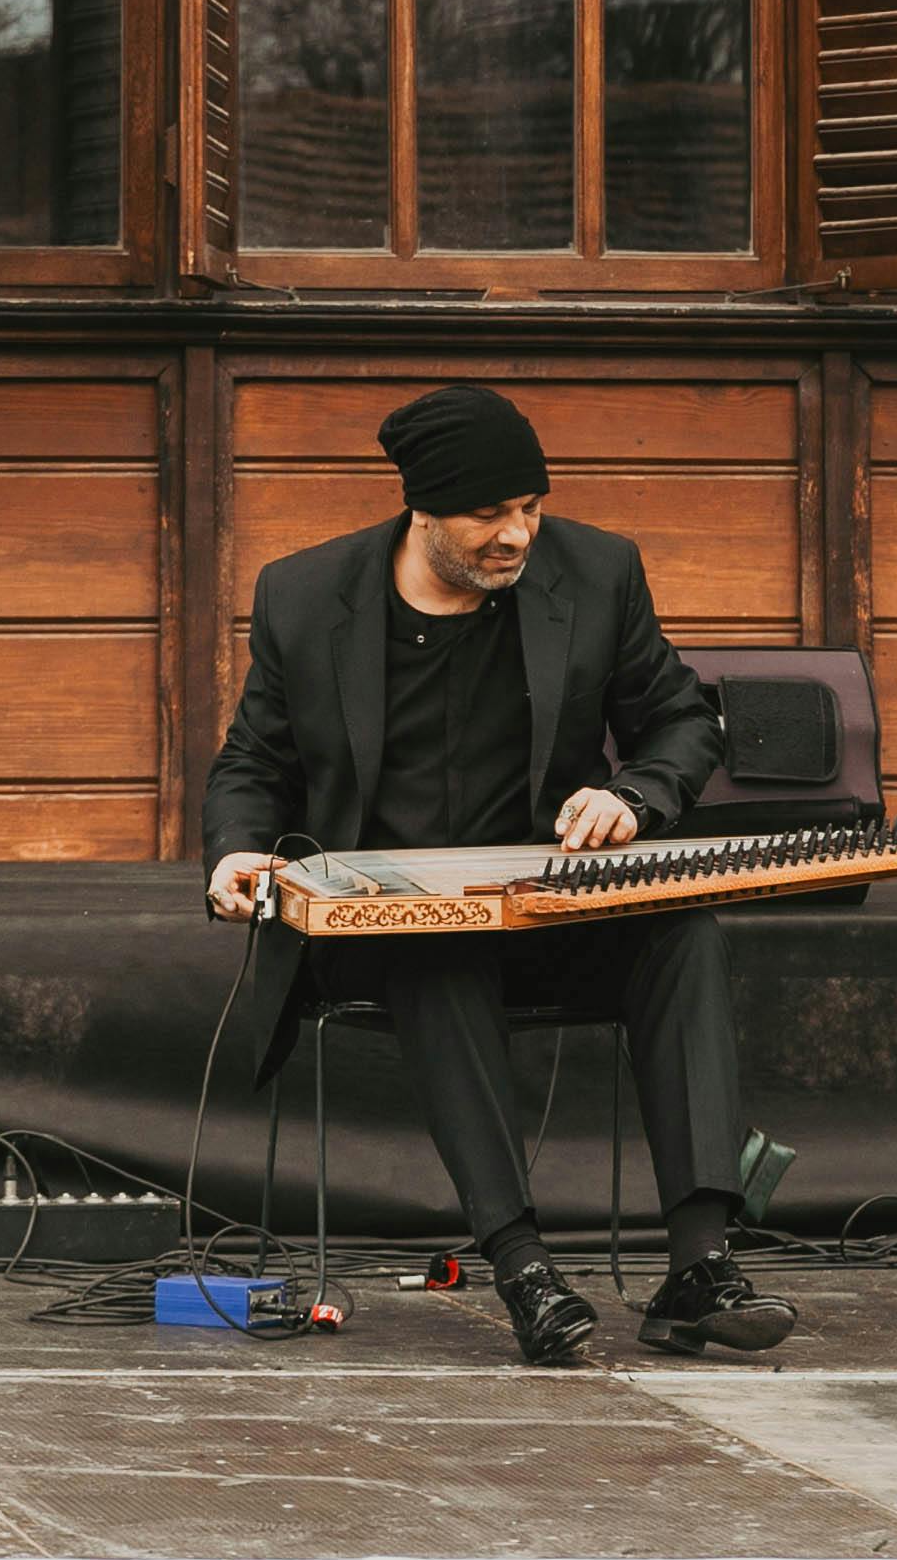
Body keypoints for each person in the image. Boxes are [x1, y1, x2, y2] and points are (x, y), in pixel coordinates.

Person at [202, 382, 795, 1368]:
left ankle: (701, 1265)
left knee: (681, 928)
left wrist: (635, 796)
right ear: (423, 512)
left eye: (530, 508)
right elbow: (253, 764)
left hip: (546, 910)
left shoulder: (597, 571)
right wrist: (235, 851)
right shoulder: (305, 595)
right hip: (382, 933)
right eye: (489, 515)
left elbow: (682, 720)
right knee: (429, 948)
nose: (517, 535)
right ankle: (523, 1268)